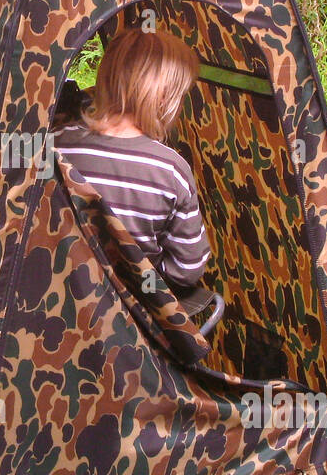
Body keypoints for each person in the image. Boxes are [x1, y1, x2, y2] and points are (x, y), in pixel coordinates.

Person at [53, 28, 213, 312]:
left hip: (59, 299)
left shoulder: (55, 144)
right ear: (164, 99)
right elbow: (188, 268)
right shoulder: (171, 170)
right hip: (134, 320)